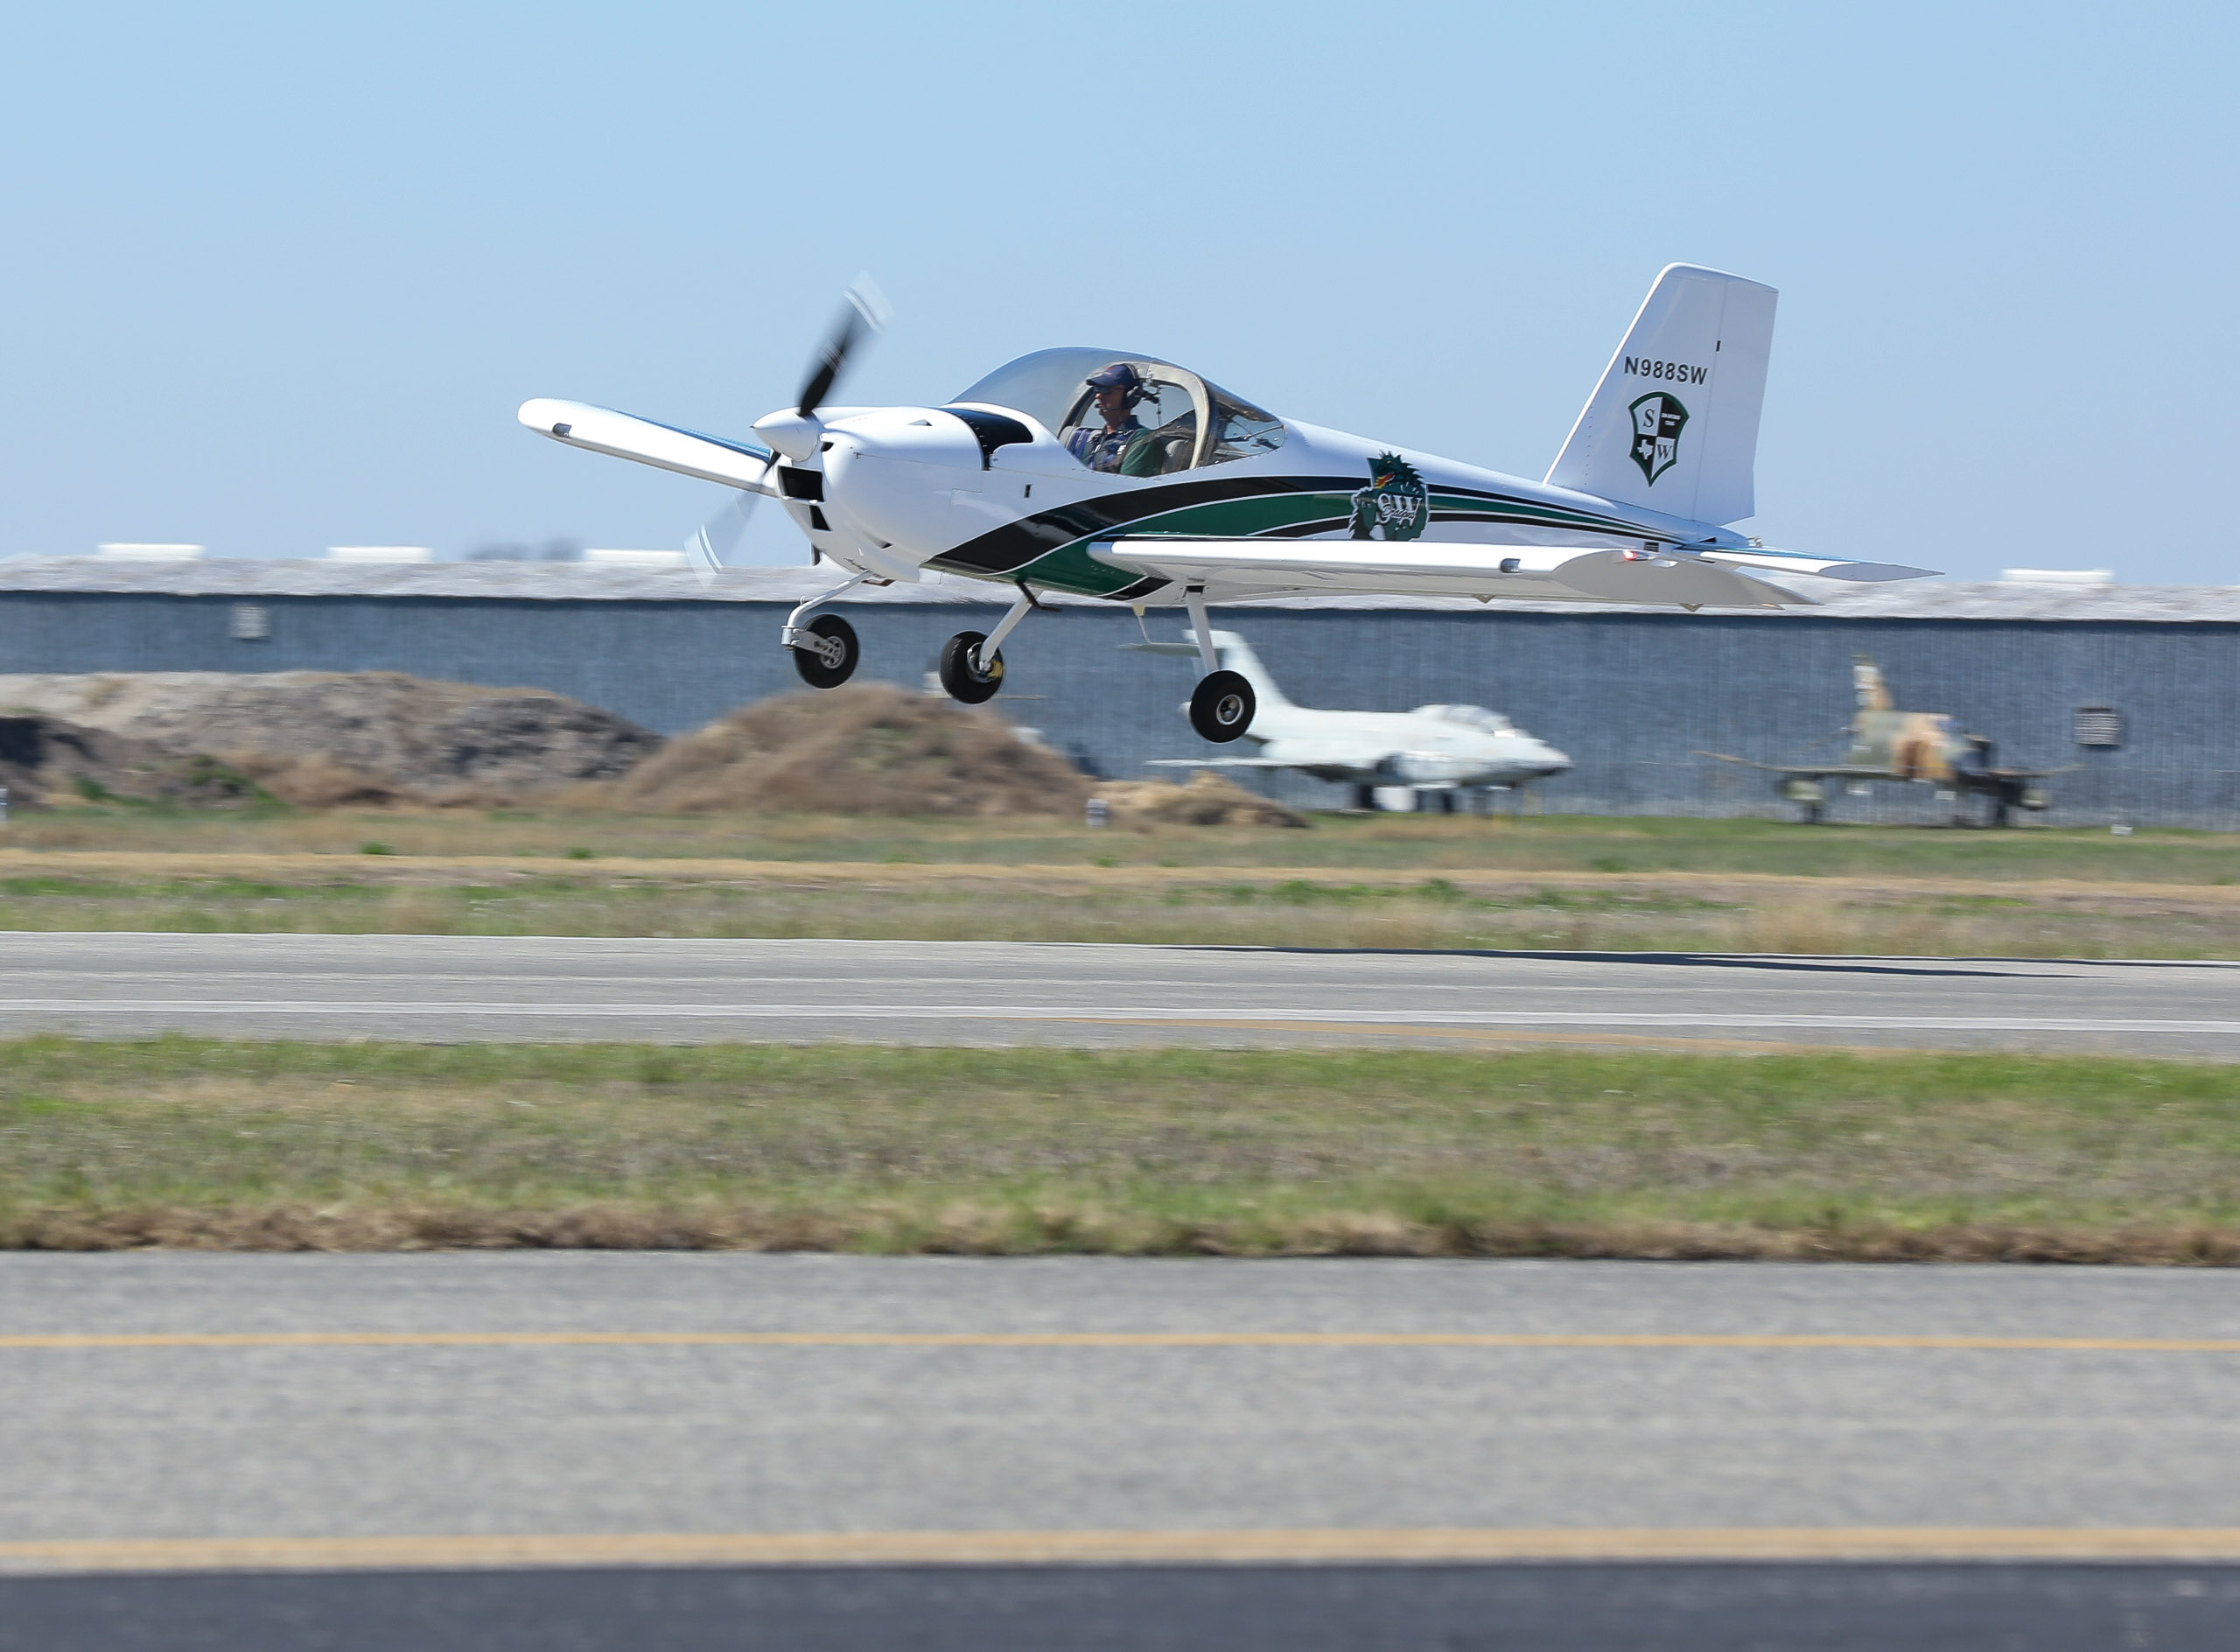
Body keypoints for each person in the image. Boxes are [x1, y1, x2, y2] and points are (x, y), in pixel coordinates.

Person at [1066, 362, 1148, 473]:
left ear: (1130, 397)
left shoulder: (1140, 439)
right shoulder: (1095, 441)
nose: (1098, 395)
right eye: (1097, 389)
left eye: (1106, 389)